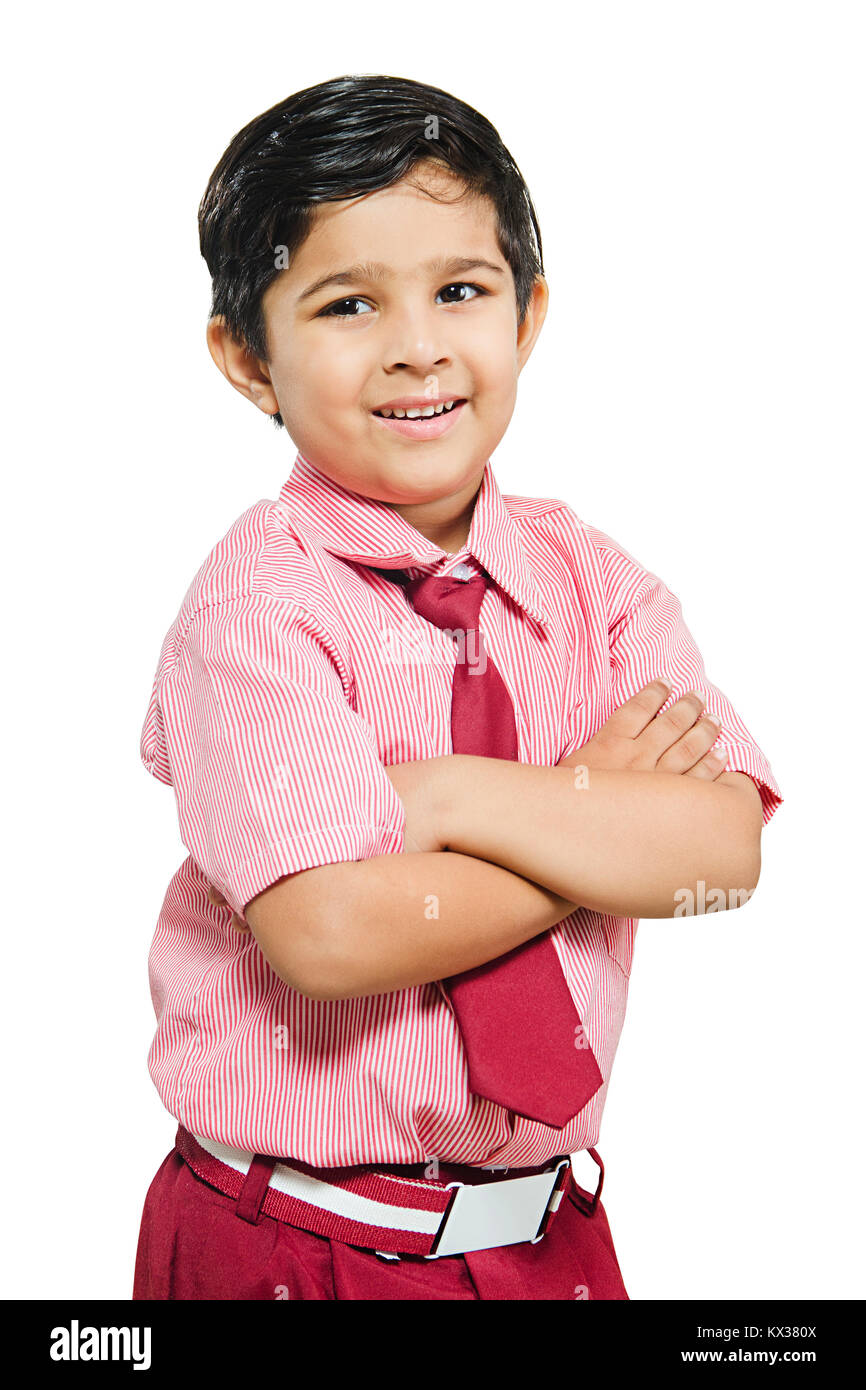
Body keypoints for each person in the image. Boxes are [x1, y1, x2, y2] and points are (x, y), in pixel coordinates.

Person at [132, 74, 782, 1301]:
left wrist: (443, 795)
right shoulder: (256, 607)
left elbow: (721, 849)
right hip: (296, 1242)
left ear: (527, 315)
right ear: (245, 357)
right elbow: (327, 933)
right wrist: (592, 815)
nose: (417, 345)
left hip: (546, 1239)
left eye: (459, 291)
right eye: (345, 304)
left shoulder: (593, 582)